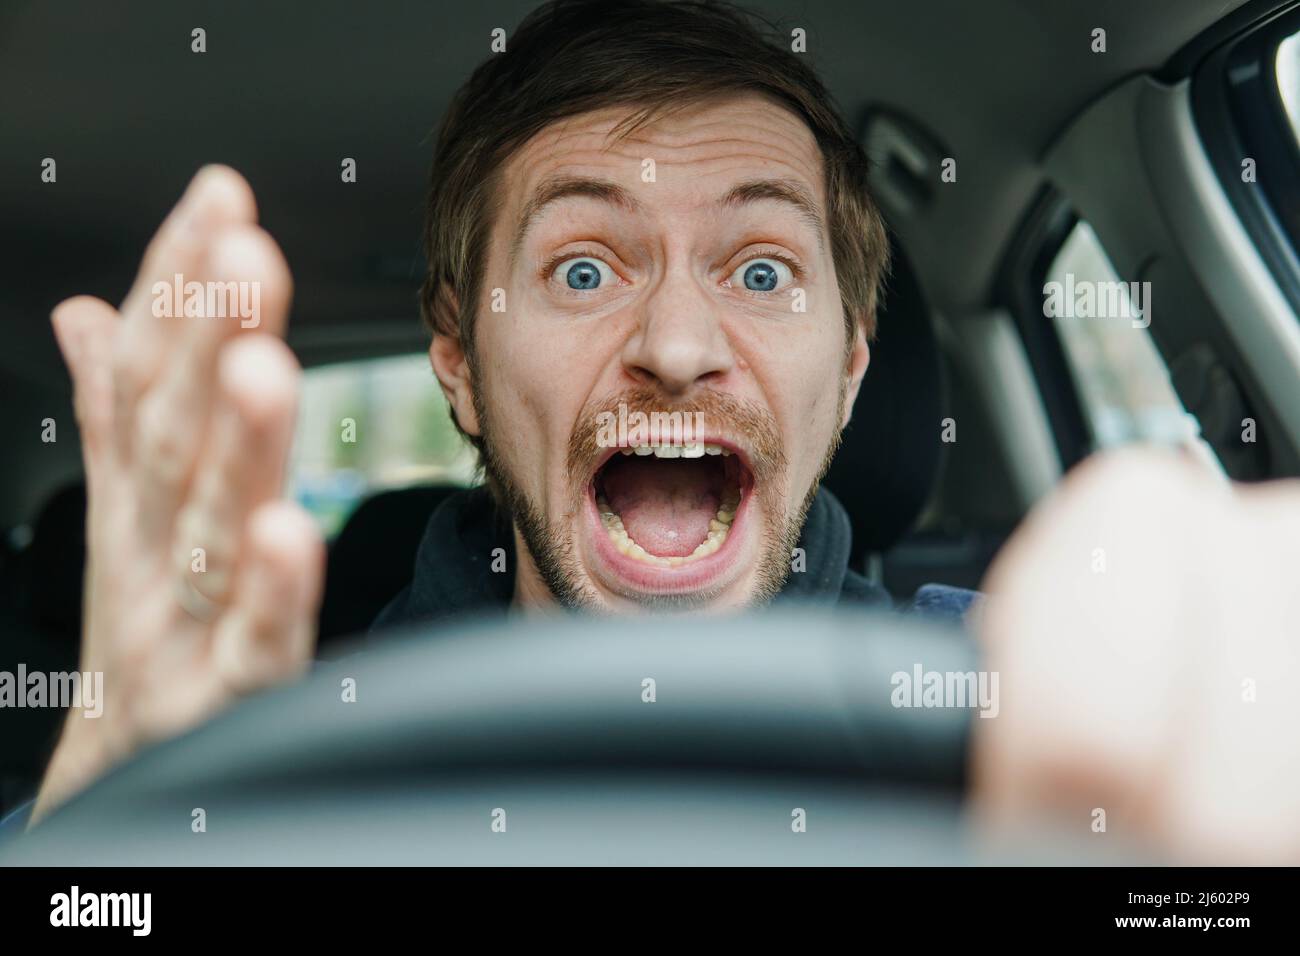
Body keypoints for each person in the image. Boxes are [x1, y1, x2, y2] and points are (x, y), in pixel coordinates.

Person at [15, 0, 1300, 862]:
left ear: (849, 370)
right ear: (457, 361)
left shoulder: (1033, 693)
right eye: (582, 270)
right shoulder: (254, 764)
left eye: (759, 272)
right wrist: (97, 840)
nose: (677, 347)